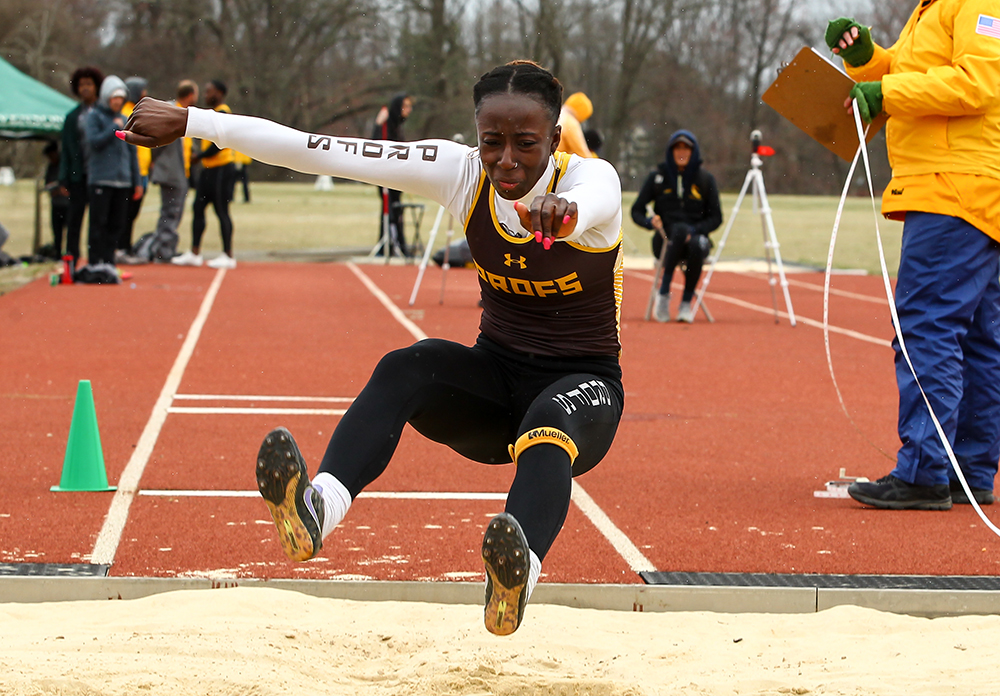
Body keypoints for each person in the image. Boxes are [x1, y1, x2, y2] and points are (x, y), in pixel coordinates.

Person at [121, 59, 625, 636]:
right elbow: (314, 149)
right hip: (494, 388)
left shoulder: (590, 180)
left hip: (583, 391)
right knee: (405, 367)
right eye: (493, 143)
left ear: (555, 138)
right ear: (476, 137)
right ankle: (316, 510)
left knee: (547, 422)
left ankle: (515, 578)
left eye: (526, 144)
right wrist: (192, 121)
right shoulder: (461, 174)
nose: (507, 160)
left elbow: (598, 199)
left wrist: (567, 214)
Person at [825, 7, 1000, 510]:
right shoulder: (932, 9)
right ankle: (967, 470)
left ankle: (926, 470)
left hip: (952, 188)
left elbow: (977, 83)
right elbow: (911, 78)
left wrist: (887, 92)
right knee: (979, 337)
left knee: (927, 327)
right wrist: (866, 62)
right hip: (962, 189)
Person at [631, 130, 722, 323]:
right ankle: (663, 295)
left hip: (695, 243)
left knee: (696, 243)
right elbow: (636, 211)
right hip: (664, 241)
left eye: (686, 148)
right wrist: (650, 222)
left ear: (693, 151)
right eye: (677, 148)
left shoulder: (706, 180)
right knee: (678, 230)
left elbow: (716, 217)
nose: (682, 152)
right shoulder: (657, 176)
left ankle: (684, 302)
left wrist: (694, 231)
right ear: (670, 151)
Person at [172, 79, 237, 269]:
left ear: (219, 93)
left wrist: (198, 156)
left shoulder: (224, 112)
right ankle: (194, 253)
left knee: (221, 211)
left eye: (209, 92)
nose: (206, 95)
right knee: (198, 208)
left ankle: (228, 254)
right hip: (209, 170)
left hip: (222, 168)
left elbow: (219, 145)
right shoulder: (212, 114)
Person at [84, 75, 141, 267]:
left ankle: (109, 261)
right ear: (106, 97)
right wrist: (112, 128)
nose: (118, 101)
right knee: (98, 223)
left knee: (117, 224)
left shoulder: (125, 119)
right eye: (114, 97)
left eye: (121, 97)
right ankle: (94, 262)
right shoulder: (95, 116)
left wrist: (137, 181)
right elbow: (94, 142)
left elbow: (132, 152)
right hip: (101, 179)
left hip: (123, 181)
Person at [145, 80, 200, 262]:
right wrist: (155, 161)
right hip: (170, 171)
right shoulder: (170, 111)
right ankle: (163, 249)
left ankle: (165, 246)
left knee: (173, 210)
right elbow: (156, 139)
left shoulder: (186, 114)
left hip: (179, 171)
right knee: (171, 210)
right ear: (191, 95)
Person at [58, 66, 103, 267]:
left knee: (97, 222)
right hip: (78, 176)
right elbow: (66, 150)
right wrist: (63, 177)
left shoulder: (105, 113)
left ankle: (95, 261)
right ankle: (72, 261)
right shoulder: (72, 117)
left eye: (89, 84)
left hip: (98, 175)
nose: (85, 88)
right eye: (81, 85)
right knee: (74, 221)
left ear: (96, 87)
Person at [371, 93, 413, 257]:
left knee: (396, 210)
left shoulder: (398, 126)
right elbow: (376, 145)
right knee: (389, 209)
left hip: (398, 178)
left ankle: (398, 244)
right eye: (406, 106)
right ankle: (390, 244)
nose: (409, 110)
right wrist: (377, 124)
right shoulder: (385, 125)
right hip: (386, 178)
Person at [118, 76, 152, 260]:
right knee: (127, 213)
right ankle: (122, 247)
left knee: (133, 213)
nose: (145, 94)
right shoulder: (126, 112)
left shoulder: (139, 110)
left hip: (143, 171)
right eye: (143, 90)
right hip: (133, 172)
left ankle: (126, 246)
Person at [43, 142, 70, 258]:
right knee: (57, 232)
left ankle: (69, 255)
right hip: (56, 204)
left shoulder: (65, 166)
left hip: (67, 204)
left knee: (69, 231)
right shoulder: (50, 168)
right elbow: (47, 186)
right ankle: (57, 254)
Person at [556, 92, 596, 159]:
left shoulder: (558, 114)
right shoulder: (570, 123)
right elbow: (580, 150)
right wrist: (592, 164)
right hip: (555, 162)